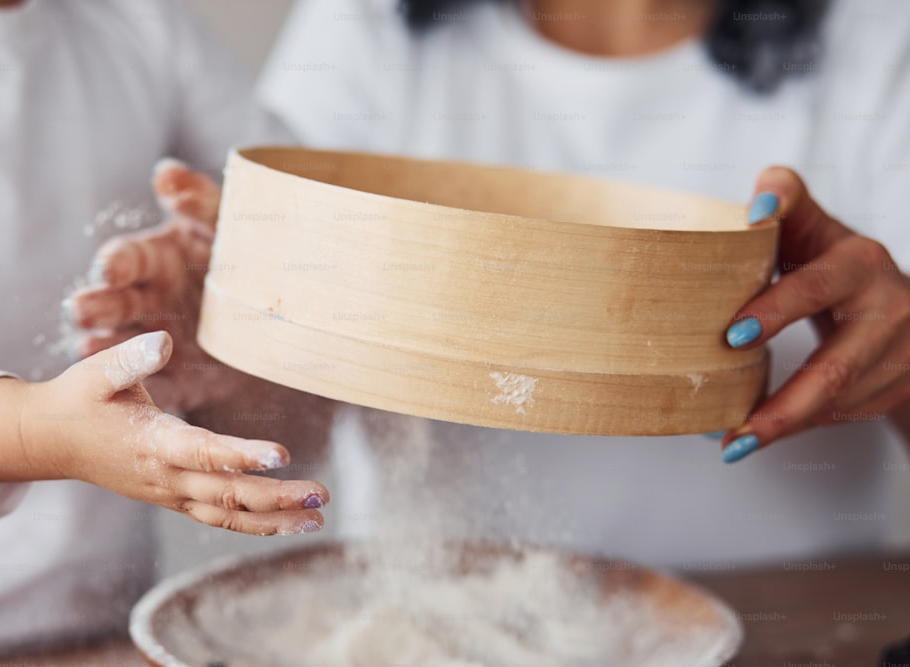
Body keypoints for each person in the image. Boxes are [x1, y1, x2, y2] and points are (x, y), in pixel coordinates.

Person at [76, 0, 910, 569]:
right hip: (424, 611)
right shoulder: (368, 25)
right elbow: (301, 419)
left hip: (796, 612)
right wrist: (232, 349)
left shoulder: (882, 39)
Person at [0, 0, 328, 661]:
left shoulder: (141, 24)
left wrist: (228, 307)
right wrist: (40, 431)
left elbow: (310, 235)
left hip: (117, 626)